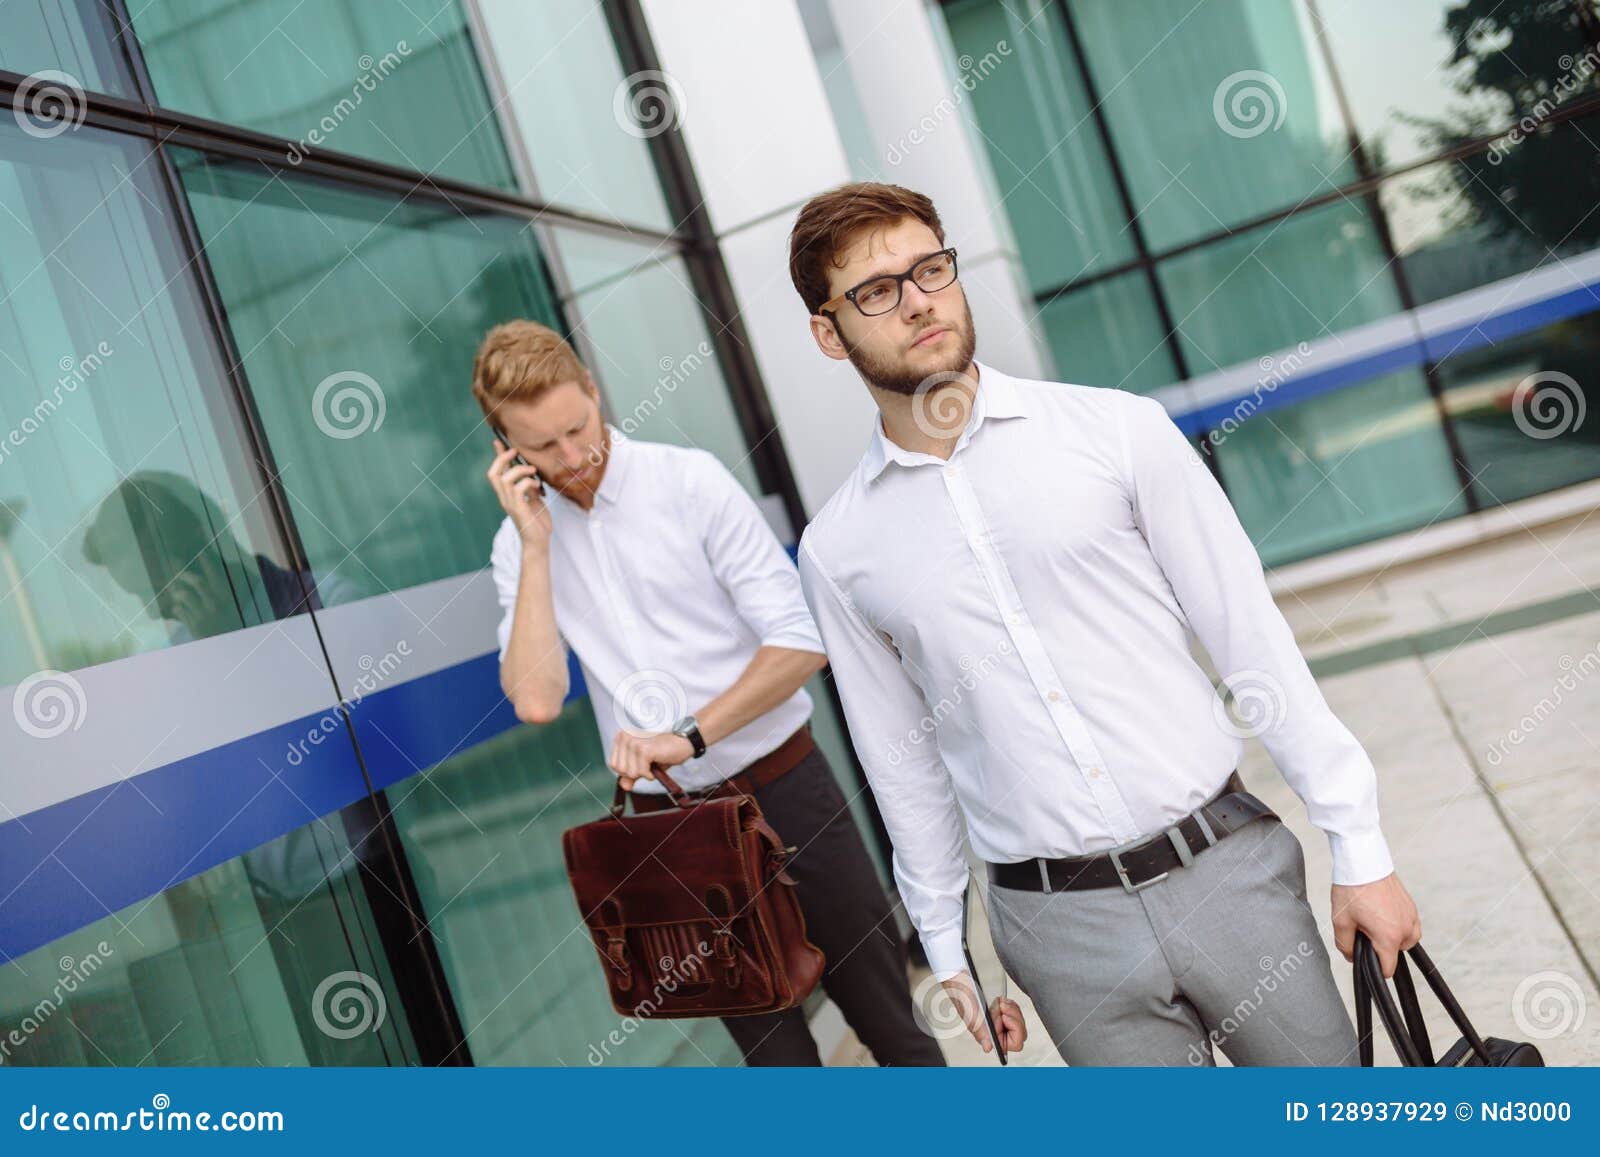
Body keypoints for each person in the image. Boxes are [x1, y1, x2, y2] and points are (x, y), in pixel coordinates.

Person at [787, 181, 1421, 1067]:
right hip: (1057, 929)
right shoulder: (839, 547)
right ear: (828, 331)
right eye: (877, 289)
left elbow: (1252, 642)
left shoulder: (1117, 433)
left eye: (930, 268)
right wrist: (947, 946)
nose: (920, 299)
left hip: (1228, 874)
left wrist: (1360, 846)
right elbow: (904, 762)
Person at [477, 319, 951, 1066]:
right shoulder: (519, 546)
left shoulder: (687, 482)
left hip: (788, 794)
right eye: (542, 447)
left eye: (578, 427)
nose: (571, 457)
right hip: (674, 833)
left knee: (892, 1027)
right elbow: (537, 697)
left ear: (596, 395)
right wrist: (536, 544)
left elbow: (801, 642)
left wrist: (690, 733)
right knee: (777, 1067)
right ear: (506, 451)